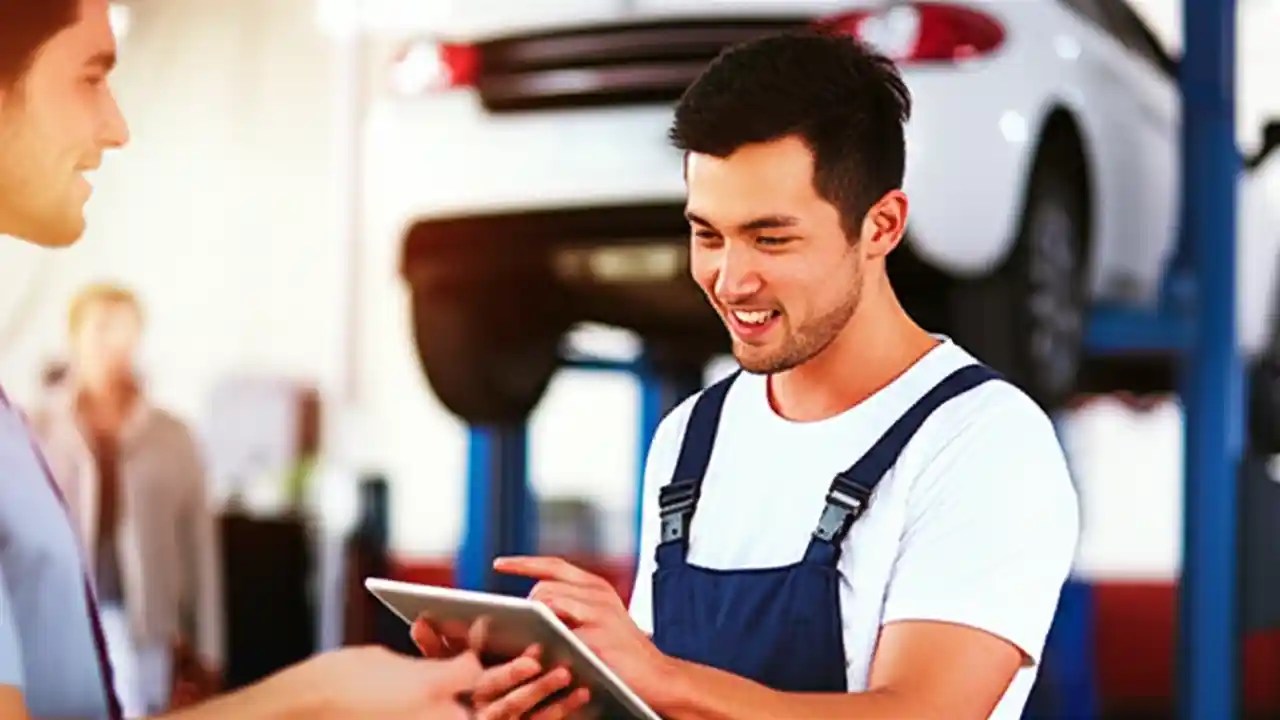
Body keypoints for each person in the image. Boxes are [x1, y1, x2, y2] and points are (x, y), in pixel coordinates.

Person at [413, 29, 1081, 720]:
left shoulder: (982, 442)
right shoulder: (689, 439)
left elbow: (922, 712)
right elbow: (664, 704)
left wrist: (660, 676)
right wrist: (567, 691)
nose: (730, 281)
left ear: (881, 226)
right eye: (708, 235)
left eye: (771, 239)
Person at [0, 1, 481, 718]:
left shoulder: (79, 430)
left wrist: (307, 689)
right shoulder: (34, 425)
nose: (118, 126)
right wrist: (317, 702)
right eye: (91, 78)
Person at [29, 283, 225, 716]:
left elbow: (199, 549)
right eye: (101, 328)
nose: (113, 343)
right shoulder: (36, 429)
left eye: (125, 330)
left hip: (145, 627)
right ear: (75, 336)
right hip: (56, 621)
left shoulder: (174, 437)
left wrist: (209, 650)